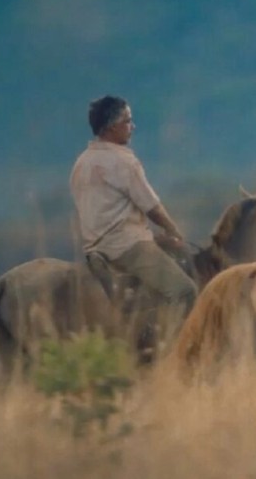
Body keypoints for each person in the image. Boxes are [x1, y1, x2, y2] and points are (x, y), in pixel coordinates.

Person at [69, 95, 197, 356]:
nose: (132, 126)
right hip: (127, 246)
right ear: (111, 127)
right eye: (127, 121)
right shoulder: (123, 161)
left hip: (95, 249)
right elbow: (151, 206)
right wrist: (173, 230)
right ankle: (171, 353)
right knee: (185, 291)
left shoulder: (81, 163)